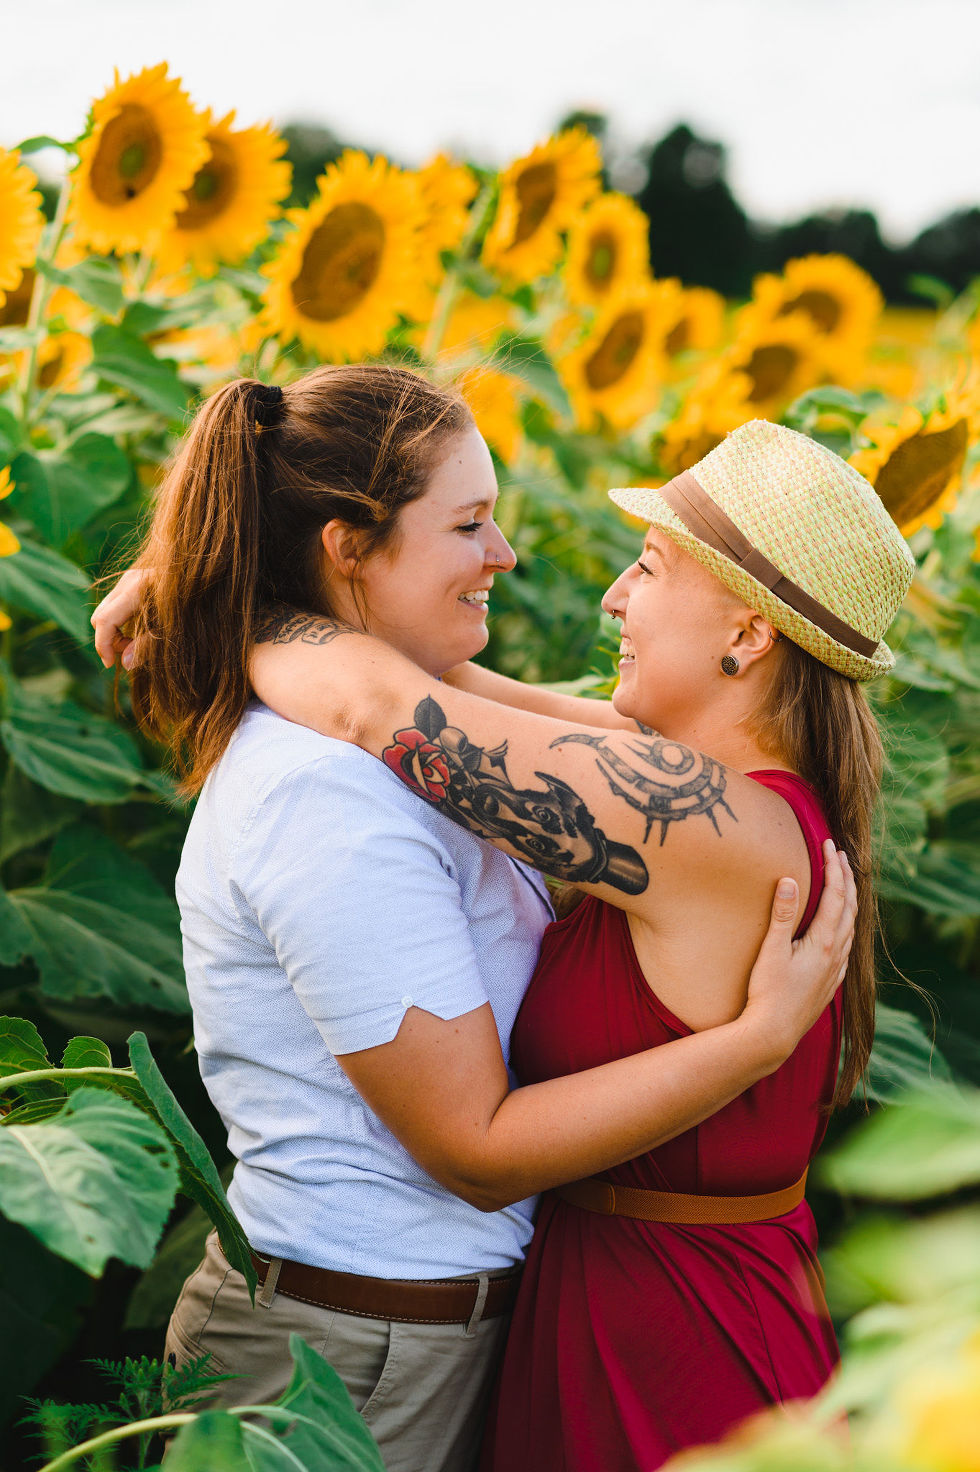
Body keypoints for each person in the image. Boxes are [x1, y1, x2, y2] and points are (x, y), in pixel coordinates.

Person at [92, 371, 855, 1472]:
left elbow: (389, 700)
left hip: (625, 1334)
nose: (598, 593)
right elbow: (445, 697)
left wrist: (236, 594)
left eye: (644, 567)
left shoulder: (702, 816)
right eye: (468, 521)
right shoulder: (341, 788)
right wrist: (216, 570)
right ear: (348, 543)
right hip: (392, 1333)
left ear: (746, 632)